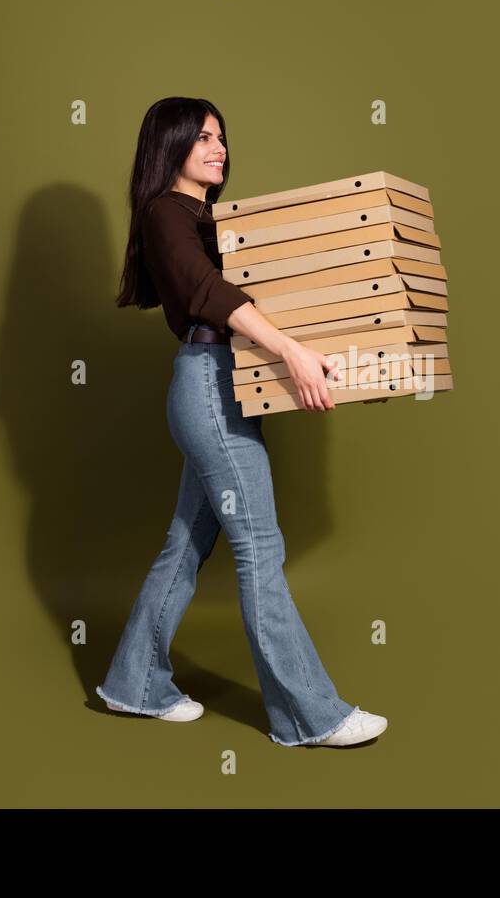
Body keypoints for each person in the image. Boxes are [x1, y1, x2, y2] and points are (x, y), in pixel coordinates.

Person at [95, 96, 388, 748]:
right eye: (202, 137)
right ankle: (311, 716)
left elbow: (272, 301)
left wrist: (356, 365)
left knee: (185, 545)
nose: (218, 147)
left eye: (221, 136)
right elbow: (209, 294)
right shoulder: (164, 213)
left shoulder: (208, 219)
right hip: (209, 390)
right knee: (260, 550)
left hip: (223, 388)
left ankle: (133, 684)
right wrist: (289, 350)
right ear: (169, 145)